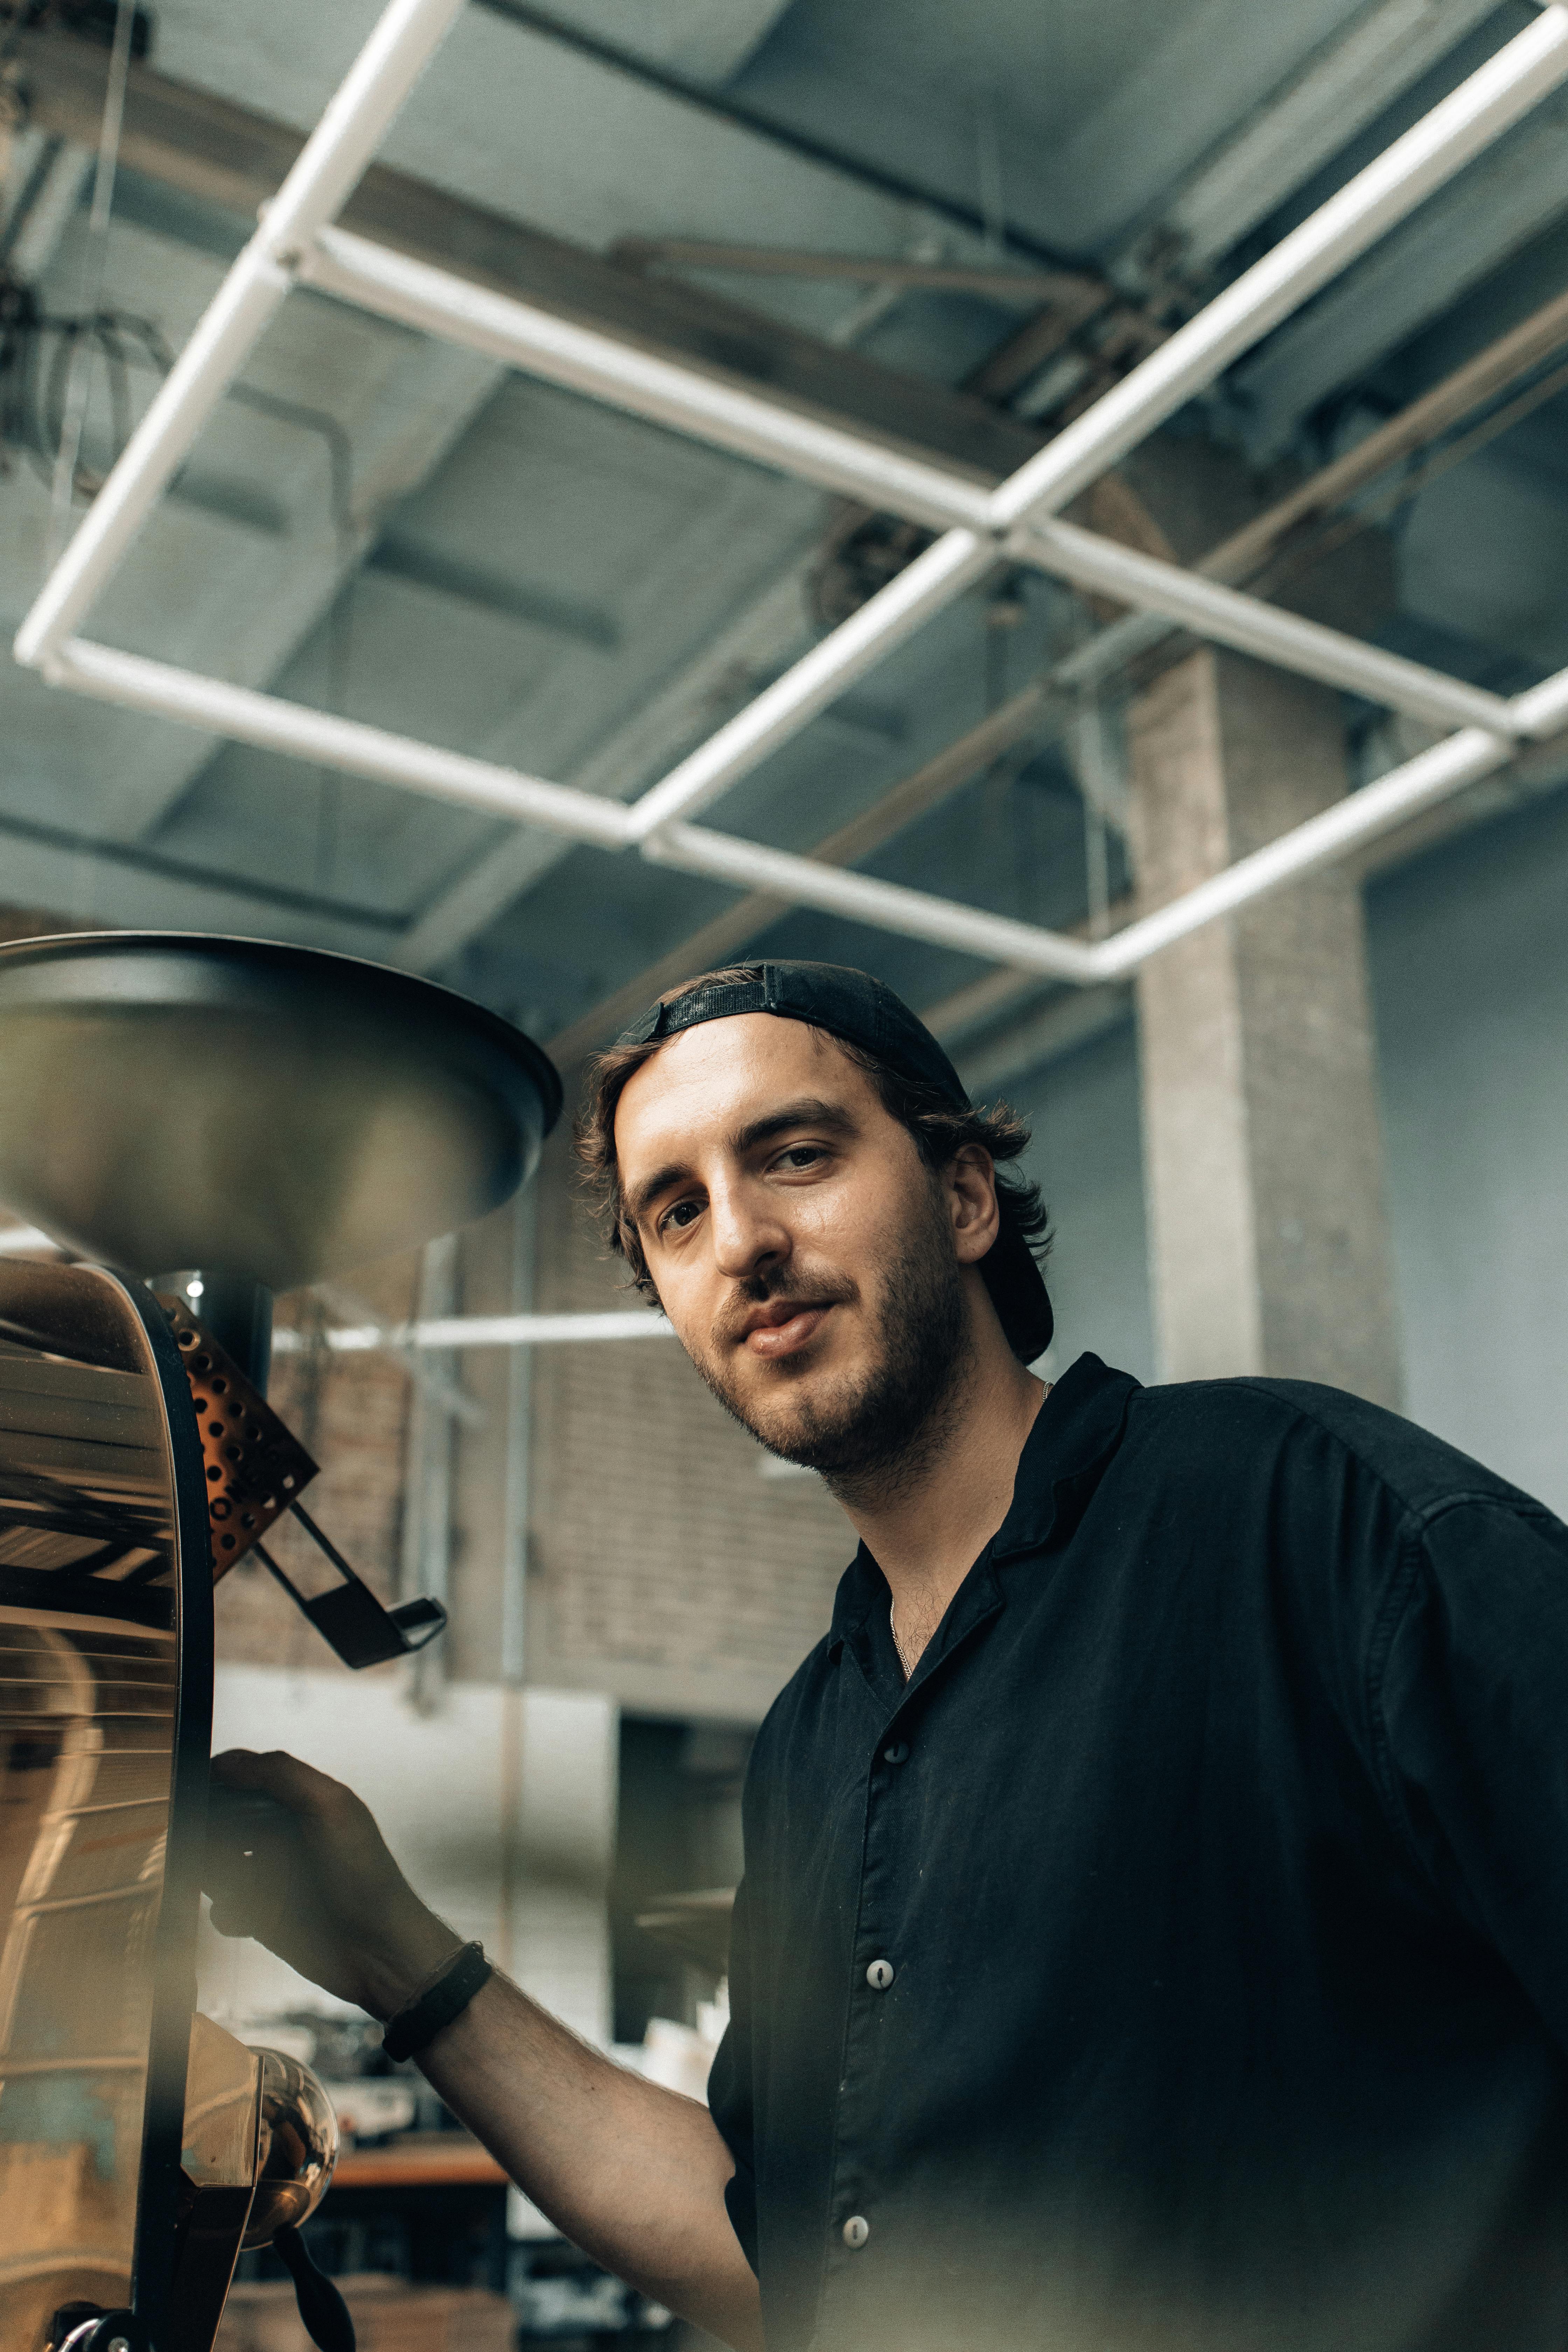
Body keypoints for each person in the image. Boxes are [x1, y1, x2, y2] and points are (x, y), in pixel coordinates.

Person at [214, 959, 1568, 2352]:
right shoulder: (817, 1739)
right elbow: (781, 2258)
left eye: (793, 1156)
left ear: (965, 1195)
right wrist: (388, 1948)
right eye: (674, 1213)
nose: (740, 1240)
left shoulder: (1317, 1522)